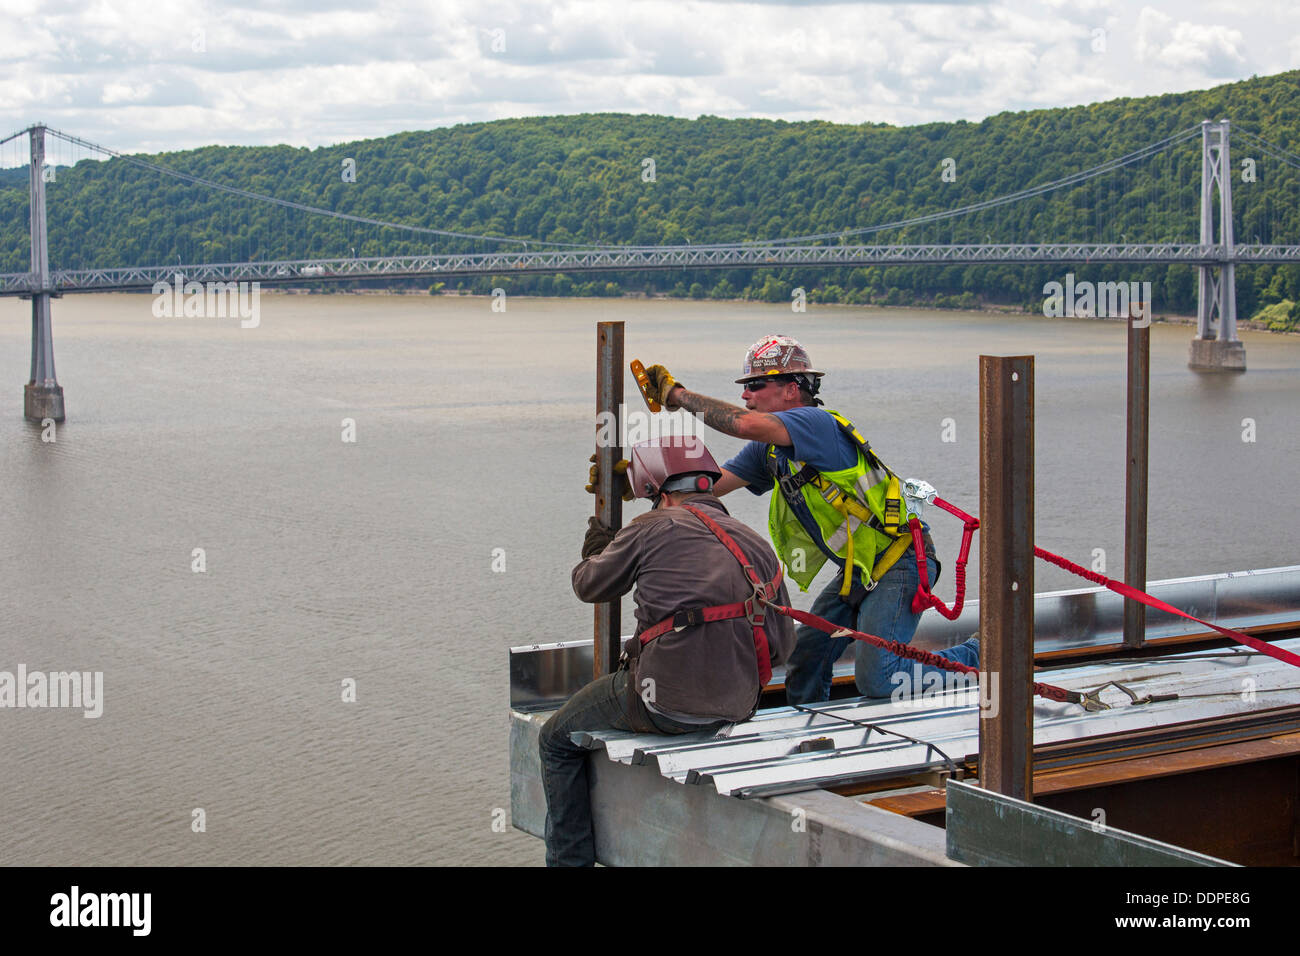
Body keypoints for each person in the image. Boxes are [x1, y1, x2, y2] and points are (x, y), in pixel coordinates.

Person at [641, 334, 979, 705]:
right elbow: (708, 489)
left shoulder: (815, 423)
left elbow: (745, 424)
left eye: (755, 385)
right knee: (805, 660)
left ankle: (979, 657)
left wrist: (676, 396)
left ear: (791, 389)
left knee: (879, 679)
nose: (745, 395)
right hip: (860, 570)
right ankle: (811, 734)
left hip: (900, 564)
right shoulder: (769, 449)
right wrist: (645, 482)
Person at [540, 435, 795, 867]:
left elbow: (589, 585)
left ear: (656, 490)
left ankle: (568, 861)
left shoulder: (649, 527)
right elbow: (782, 646)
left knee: (555, 740)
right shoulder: (754, 541)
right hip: (736, 706)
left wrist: (597, 549)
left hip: (662, 703)